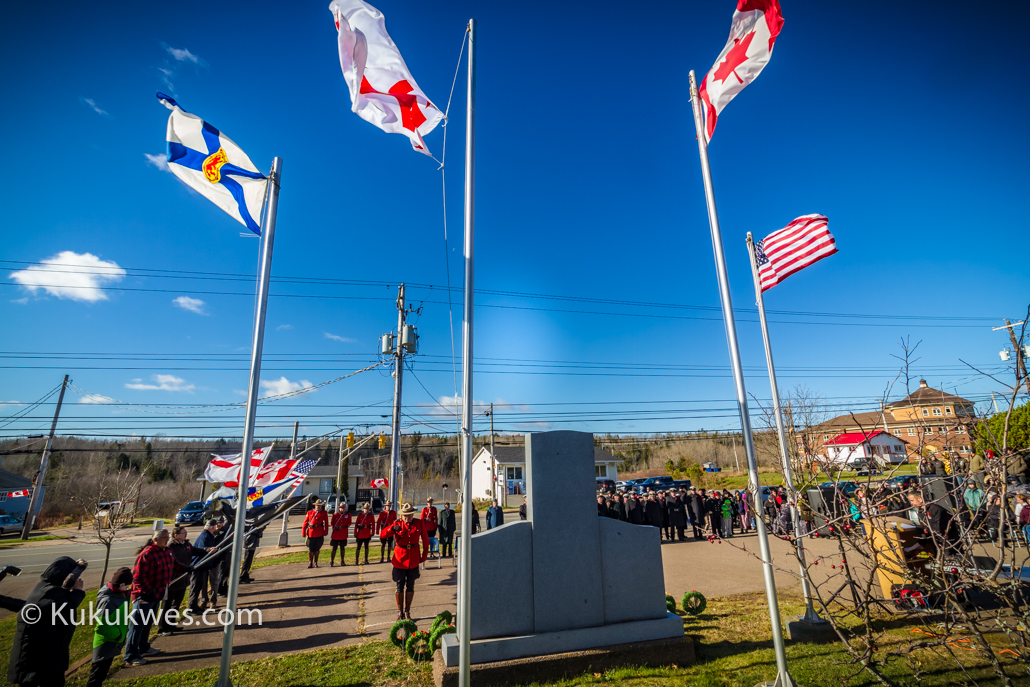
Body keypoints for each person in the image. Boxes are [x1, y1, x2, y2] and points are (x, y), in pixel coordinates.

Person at [8, 556, 87, 687]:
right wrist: (77, 592)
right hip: (39, 658)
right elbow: (64, 610)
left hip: (38, 652)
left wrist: (76, 573)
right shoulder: (52, 596)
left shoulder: (44, 587)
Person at [125, 529, 184, 667]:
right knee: (137, 626)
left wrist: (186, 568)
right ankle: (131, 656)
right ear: (155, 539)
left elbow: (174, 565)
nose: (167, 540)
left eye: (168, 537)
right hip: (144, 596)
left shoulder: (166, 551)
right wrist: (148, 591)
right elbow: (137, 577)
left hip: (157, 594)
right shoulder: (147, 554)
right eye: (165, 538)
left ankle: (144, 647)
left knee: (147, 623)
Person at [380, 503, 429, 620]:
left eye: (409, 515)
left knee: (410, 585)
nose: (407, 518)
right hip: (400, 560)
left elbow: (425, 540)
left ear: (412, 514)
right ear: (402, 515)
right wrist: (392, 529)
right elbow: (382, 535)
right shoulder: (397, 523)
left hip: (413, 558)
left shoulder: (419, 523)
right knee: (399, 586)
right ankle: (399, 612)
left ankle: (407, 611)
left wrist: (424, 556)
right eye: (405, 515)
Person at [87, 567, 133, 687]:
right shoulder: (108, 601)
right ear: (121, 585)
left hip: (112, 642)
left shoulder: (118, 594)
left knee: (101, 674)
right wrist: (119, 635)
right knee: (96, 676)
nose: (128, 588)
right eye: (127, 585)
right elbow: (102, 627)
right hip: (106, 643)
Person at [159, 527, 207, 635]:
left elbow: (196, 551)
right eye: (183, 533)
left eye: (186, 532)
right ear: (176, 535)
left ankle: (171, 623)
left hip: (184, 579)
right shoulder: (171, 546)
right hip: (173, 579)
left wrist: (207, 550)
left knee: (176, 604)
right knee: (167, 605)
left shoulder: (187, 545)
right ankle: (162, 627)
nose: (186, 534)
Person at [189, 520, 220, 613]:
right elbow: (201, 549)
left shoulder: (209, 535)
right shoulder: (205, 536)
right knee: (199, 585)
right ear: (213, 527)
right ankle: (197, 604)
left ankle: (207, 602)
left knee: (206, 583)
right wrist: (209, 549)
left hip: (208, 563)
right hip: (201, 564)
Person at [302, 500, 329, 568]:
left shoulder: (324, 513)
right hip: (311, 533)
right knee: (310, 548)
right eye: (317, 505)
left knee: (317, 548)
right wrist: (303, 532)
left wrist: (326, 531)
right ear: (315, 505)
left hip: (319, 533)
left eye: (320, 505)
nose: (318, 507)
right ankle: (310, 562)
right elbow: (305, 523)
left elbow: (326, 523)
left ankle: (315, 562)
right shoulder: (310, 512)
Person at [329, 503, 352, 567]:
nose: (342, 509)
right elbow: (331, 523)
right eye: (341, 508)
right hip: (336, 534)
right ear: (339, 508)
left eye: (343, 508)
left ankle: (342, 561)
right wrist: (334, 527)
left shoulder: (348, 515)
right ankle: (332, 561)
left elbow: (349, 523)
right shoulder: (335, 515)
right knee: (334, 548)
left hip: (343, 534)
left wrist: (345, 527)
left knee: (342, 548)